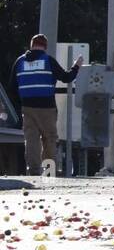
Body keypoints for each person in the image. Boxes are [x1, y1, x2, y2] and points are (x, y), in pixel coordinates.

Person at [7, 34, 80, 176]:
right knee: (49, 139)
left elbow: (11, 88)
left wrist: (21, 103)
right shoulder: (48, 60)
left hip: (27, 107)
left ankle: (33, 172)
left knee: (31, 139)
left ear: (31, 45)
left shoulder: (20, 62)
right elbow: (66, 77)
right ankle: (48, 172)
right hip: (47, 107)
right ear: (45, 47)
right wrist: (76, 66)